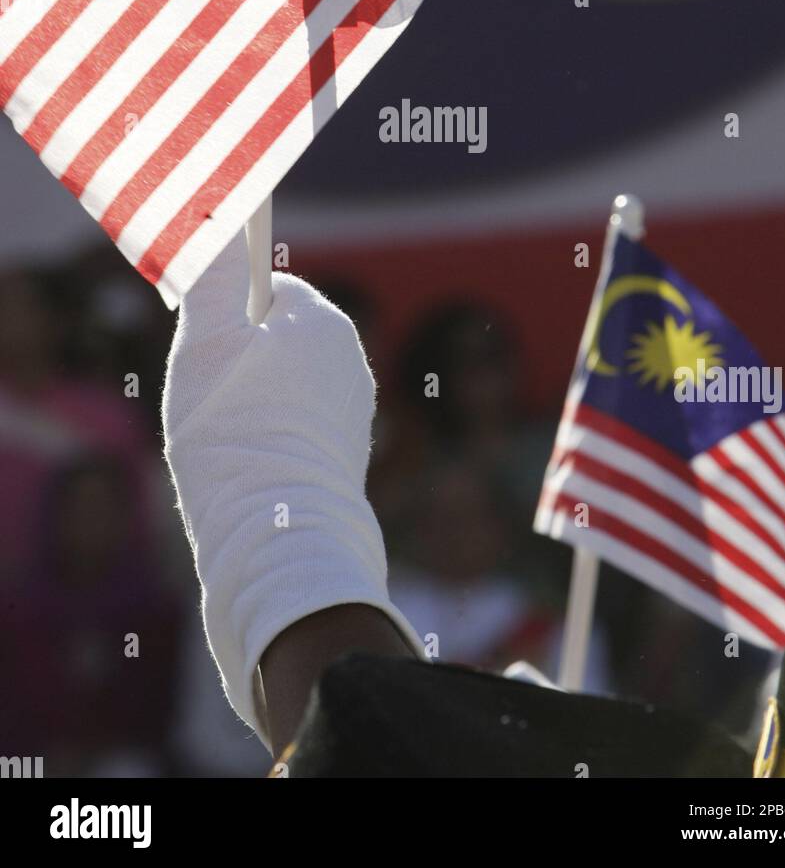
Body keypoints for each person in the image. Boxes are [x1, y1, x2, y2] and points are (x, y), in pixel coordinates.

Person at [161, 234, 748, 777]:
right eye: (440, 520)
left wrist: (272, 518)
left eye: (471, 518)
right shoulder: (410, 602)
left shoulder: (544, 622)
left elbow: (365, 742)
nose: (457, 534)